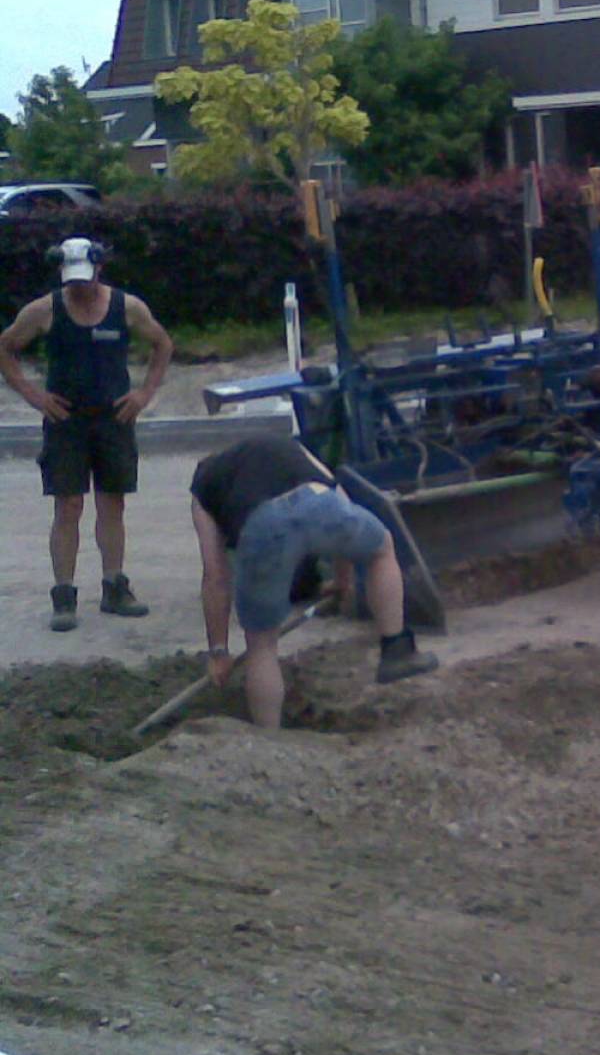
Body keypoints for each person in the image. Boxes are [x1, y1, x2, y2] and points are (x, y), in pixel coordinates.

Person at [190, 436, 439, 729]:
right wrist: (342, 580)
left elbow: (215, 575)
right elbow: (341, 498)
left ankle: (267, 741)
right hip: (319, 503)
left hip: (263, 530)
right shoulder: (290, 447)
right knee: (381, 548)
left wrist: (219, 652)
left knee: (261, 647)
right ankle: (396, 649)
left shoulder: (203, 486)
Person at [0, 236, 173, 631]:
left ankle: (115, 587)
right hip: (66, 423)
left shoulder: (126, 307)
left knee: (112, 504)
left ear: (100, 269)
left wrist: (144, 393)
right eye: (73, 281)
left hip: (114, 419)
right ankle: (64, 596)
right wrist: (33, 395)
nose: (81, 288)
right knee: (68, 507)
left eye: (87, 279)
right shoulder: (44, 310)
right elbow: (5, 347)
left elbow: (162, 344)